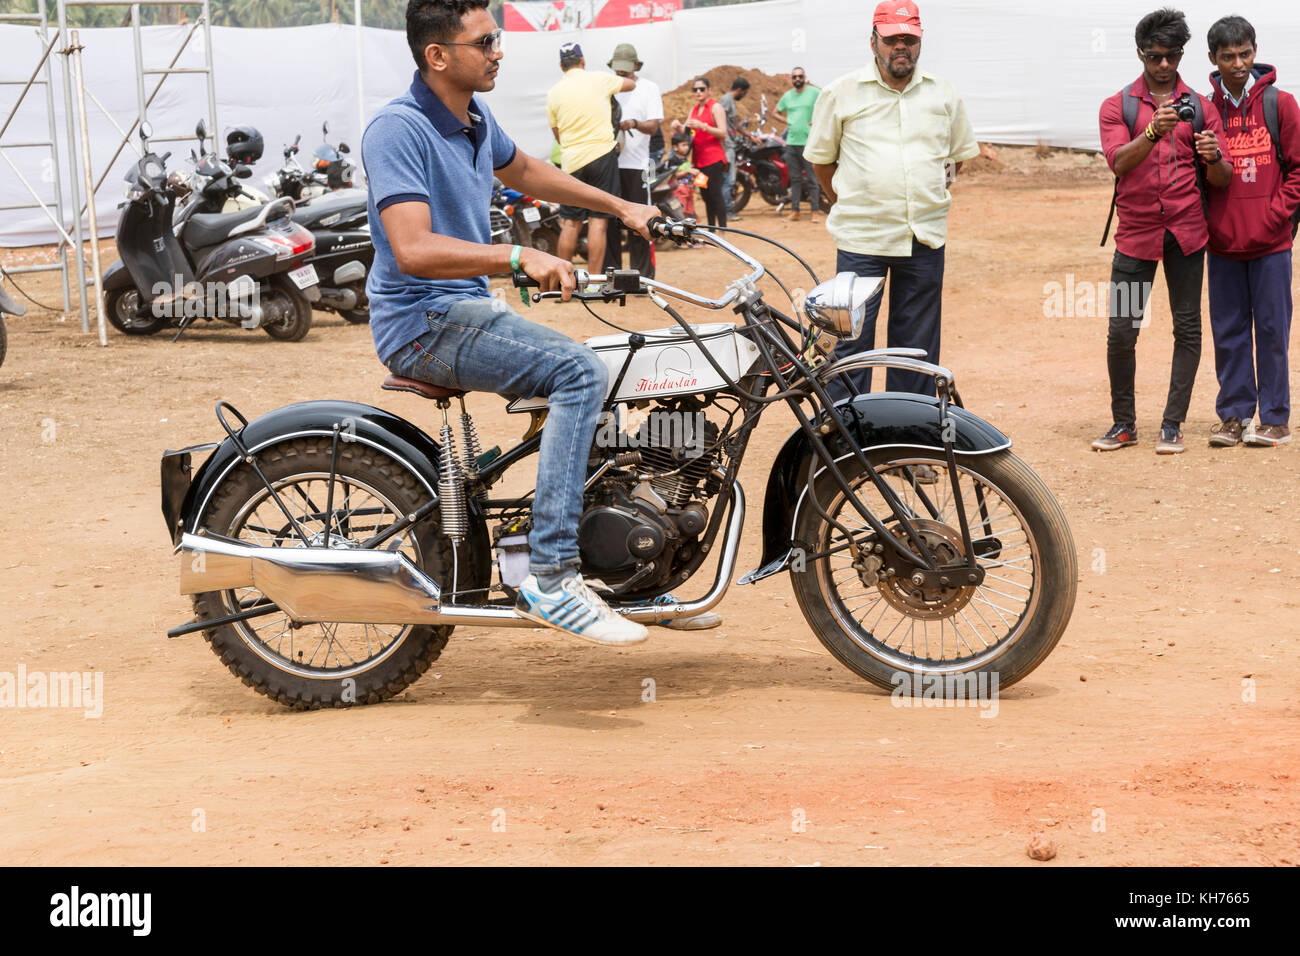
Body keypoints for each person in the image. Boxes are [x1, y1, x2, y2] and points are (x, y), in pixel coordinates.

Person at [362, 0, 661, 645]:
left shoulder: (472, 118)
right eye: (485, 41)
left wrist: (622, 205)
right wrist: (519, 255)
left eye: (496, 38)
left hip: (466, 308)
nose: (499, 51)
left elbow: (526, 171)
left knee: (621, 363)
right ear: (437, 55)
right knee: (579, 372)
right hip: (424, 319)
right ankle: (552, 575)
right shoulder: (398, 129)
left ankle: (633, 567)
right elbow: (411, 248)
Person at [804, 0, 979, 402]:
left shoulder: (943, 94)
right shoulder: (841, 93)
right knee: (850, 348)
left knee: (915, 352)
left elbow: (957, 158)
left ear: (919, 42)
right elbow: (822, 163)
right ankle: (847, 447)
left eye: (909, 39)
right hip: (860, 240)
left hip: (924, 239)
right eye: (892, 39)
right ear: (873, 42)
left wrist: (929, 192)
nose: (901, 46)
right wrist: (849, 200)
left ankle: (908, 444)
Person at [1093, 7, 1232, 454]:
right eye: (1155, 56)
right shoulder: (1118, 106)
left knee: (1187, 328)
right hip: (1135, 235)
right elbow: (1118, 162)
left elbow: (1223, 178)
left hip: (1187, 234)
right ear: (1140, 54)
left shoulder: (1202, 107)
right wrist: (1152, 131)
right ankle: (1123, 424)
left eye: (1173, 55)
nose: (1165, 65)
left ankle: (1172, 425)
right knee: (1122, 330)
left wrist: (1213, 158)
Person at [1203, 15, 1299, 447]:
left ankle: (1275, 418)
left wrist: (1275, 215)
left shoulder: (1282, 106)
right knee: (1229, 331)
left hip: (1271, 244)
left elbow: (1298, 171)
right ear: (1214, 59)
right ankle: (1235, 416)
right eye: (1228, 56)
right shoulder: (1206, 110)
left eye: (1244, 54)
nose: (1238, 63)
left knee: (1273, 330)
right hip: (1223, 244)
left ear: (1255, 52)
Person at [546, 41, 634, 283]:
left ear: (561, 65)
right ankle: (593, 284)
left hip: (572, 161)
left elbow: (557, 134)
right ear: (582, 61)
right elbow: (630, 84)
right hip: (601, 156)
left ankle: (561, 283)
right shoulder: (599, 79)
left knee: (570, 223)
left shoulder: (554, 93)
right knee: (598, 222)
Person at [602, 42, 663, 279]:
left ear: (636, 66)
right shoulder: (608, 88)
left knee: (640, 223)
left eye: (626, 69)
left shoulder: (649, 88)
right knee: (609, 224)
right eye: (618, 69)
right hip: (610, 165)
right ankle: (614, 276)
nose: (621, 73)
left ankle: (641, 276)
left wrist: (634, 123)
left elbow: (653, 126)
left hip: (636, 166)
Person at [671, 77, 728, 227]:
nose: (698, 92)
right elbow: (687, 131)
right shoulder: (694, 109)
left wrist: (703, 126)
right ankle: (712, 231)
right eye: (695, 89)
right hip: (699, 160)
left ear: (709, 91)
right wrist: (678, 127)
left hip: (714, 158)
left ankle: (722, 230)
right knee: (706, 196)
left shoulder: (715, 107)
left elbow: (723, 132)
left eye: (702, 89)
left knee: (716, 194)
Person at [775, 67, 821, 222]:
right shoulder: (787, 96)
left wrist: (817, 119)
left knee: (812, 178)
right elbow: (775, 112)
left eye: (800, 76)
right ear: (791, 79)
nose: (797, 79)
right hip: (791, 143)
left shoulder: (814, 92)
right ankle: (795, 211)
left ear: (805, 77)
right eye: (794, 77)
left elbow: (827, 103)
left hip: (808, 143)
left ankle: (815, 211)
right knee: (794, 179)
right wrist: (786, 121)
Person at [719, 76, 750, 219]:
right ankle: (727, 212)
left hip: (730, 144)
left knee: (728, 179)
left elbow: (734, 123)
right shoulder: (726, 100)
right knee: (728, 180)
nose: (744, 96)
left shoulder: (730, 101)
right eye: (745, 93)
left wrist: (749, 135)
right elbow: (718, 119)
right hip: (726, 146)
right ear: (740, 90)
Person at [669, 130, 698, 219]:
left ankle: (685, 227)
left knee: (688, 211)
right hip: (679, 189)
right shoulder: (673, 160)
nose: (686, 148)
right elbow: (673, 175)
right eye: (683, 145)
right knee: (680, 210)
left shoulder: (684, 158)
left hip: (688, 188)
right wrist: (687, 171)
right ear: (675, 147)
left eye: (687, 145)